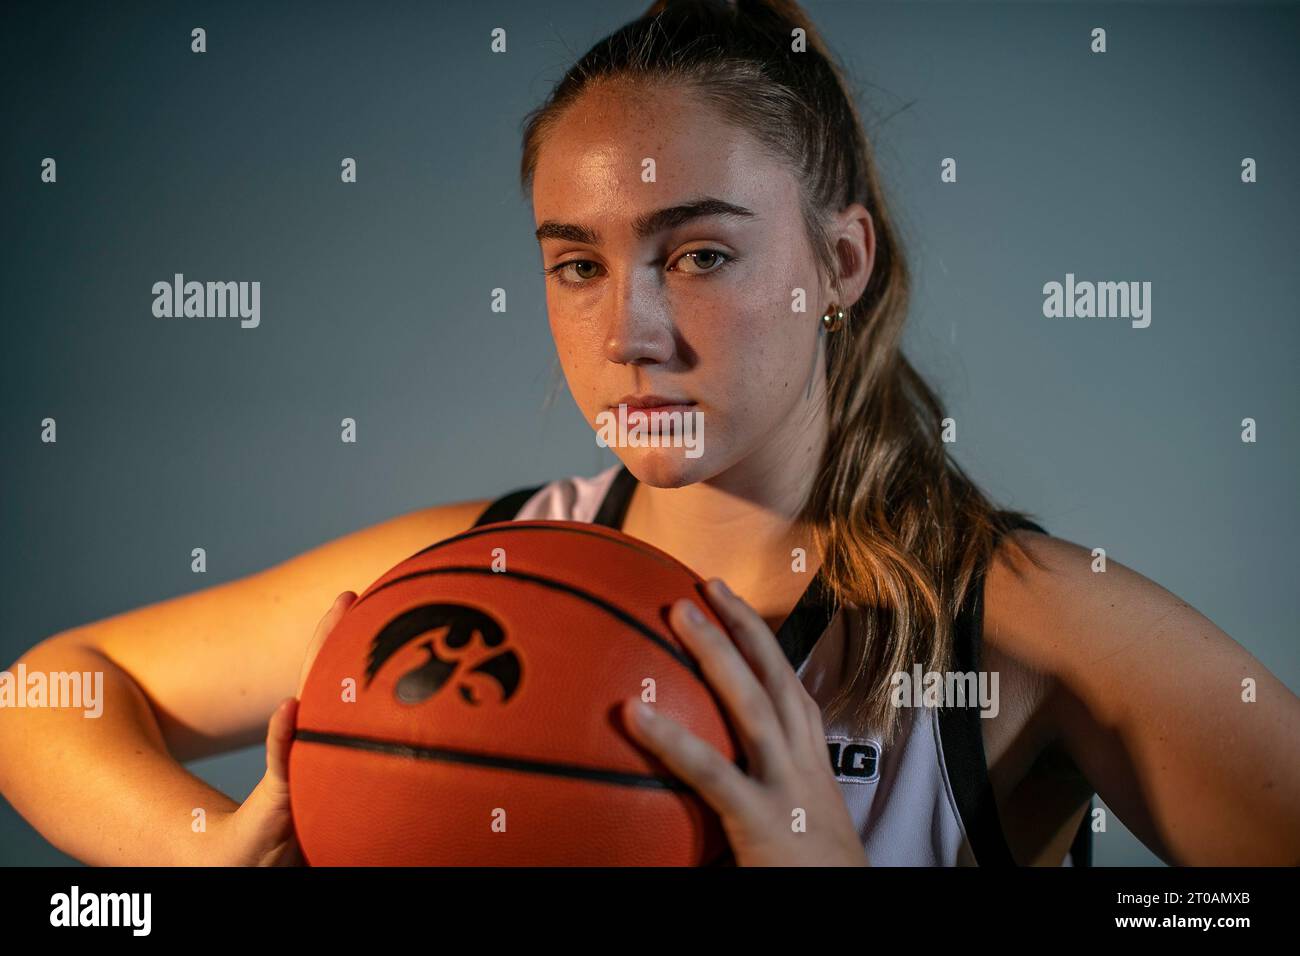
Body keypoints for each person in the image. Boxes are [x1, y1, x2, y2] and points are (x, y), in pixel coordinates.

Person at [2, 0, 1297, 867]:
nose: (629, 330)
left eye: (700, 253)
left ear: (840, 262)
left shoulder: (1022, 627)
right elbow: (39, 698)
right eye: (577, 265)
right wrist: (198, 856)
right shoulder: (482, 570)